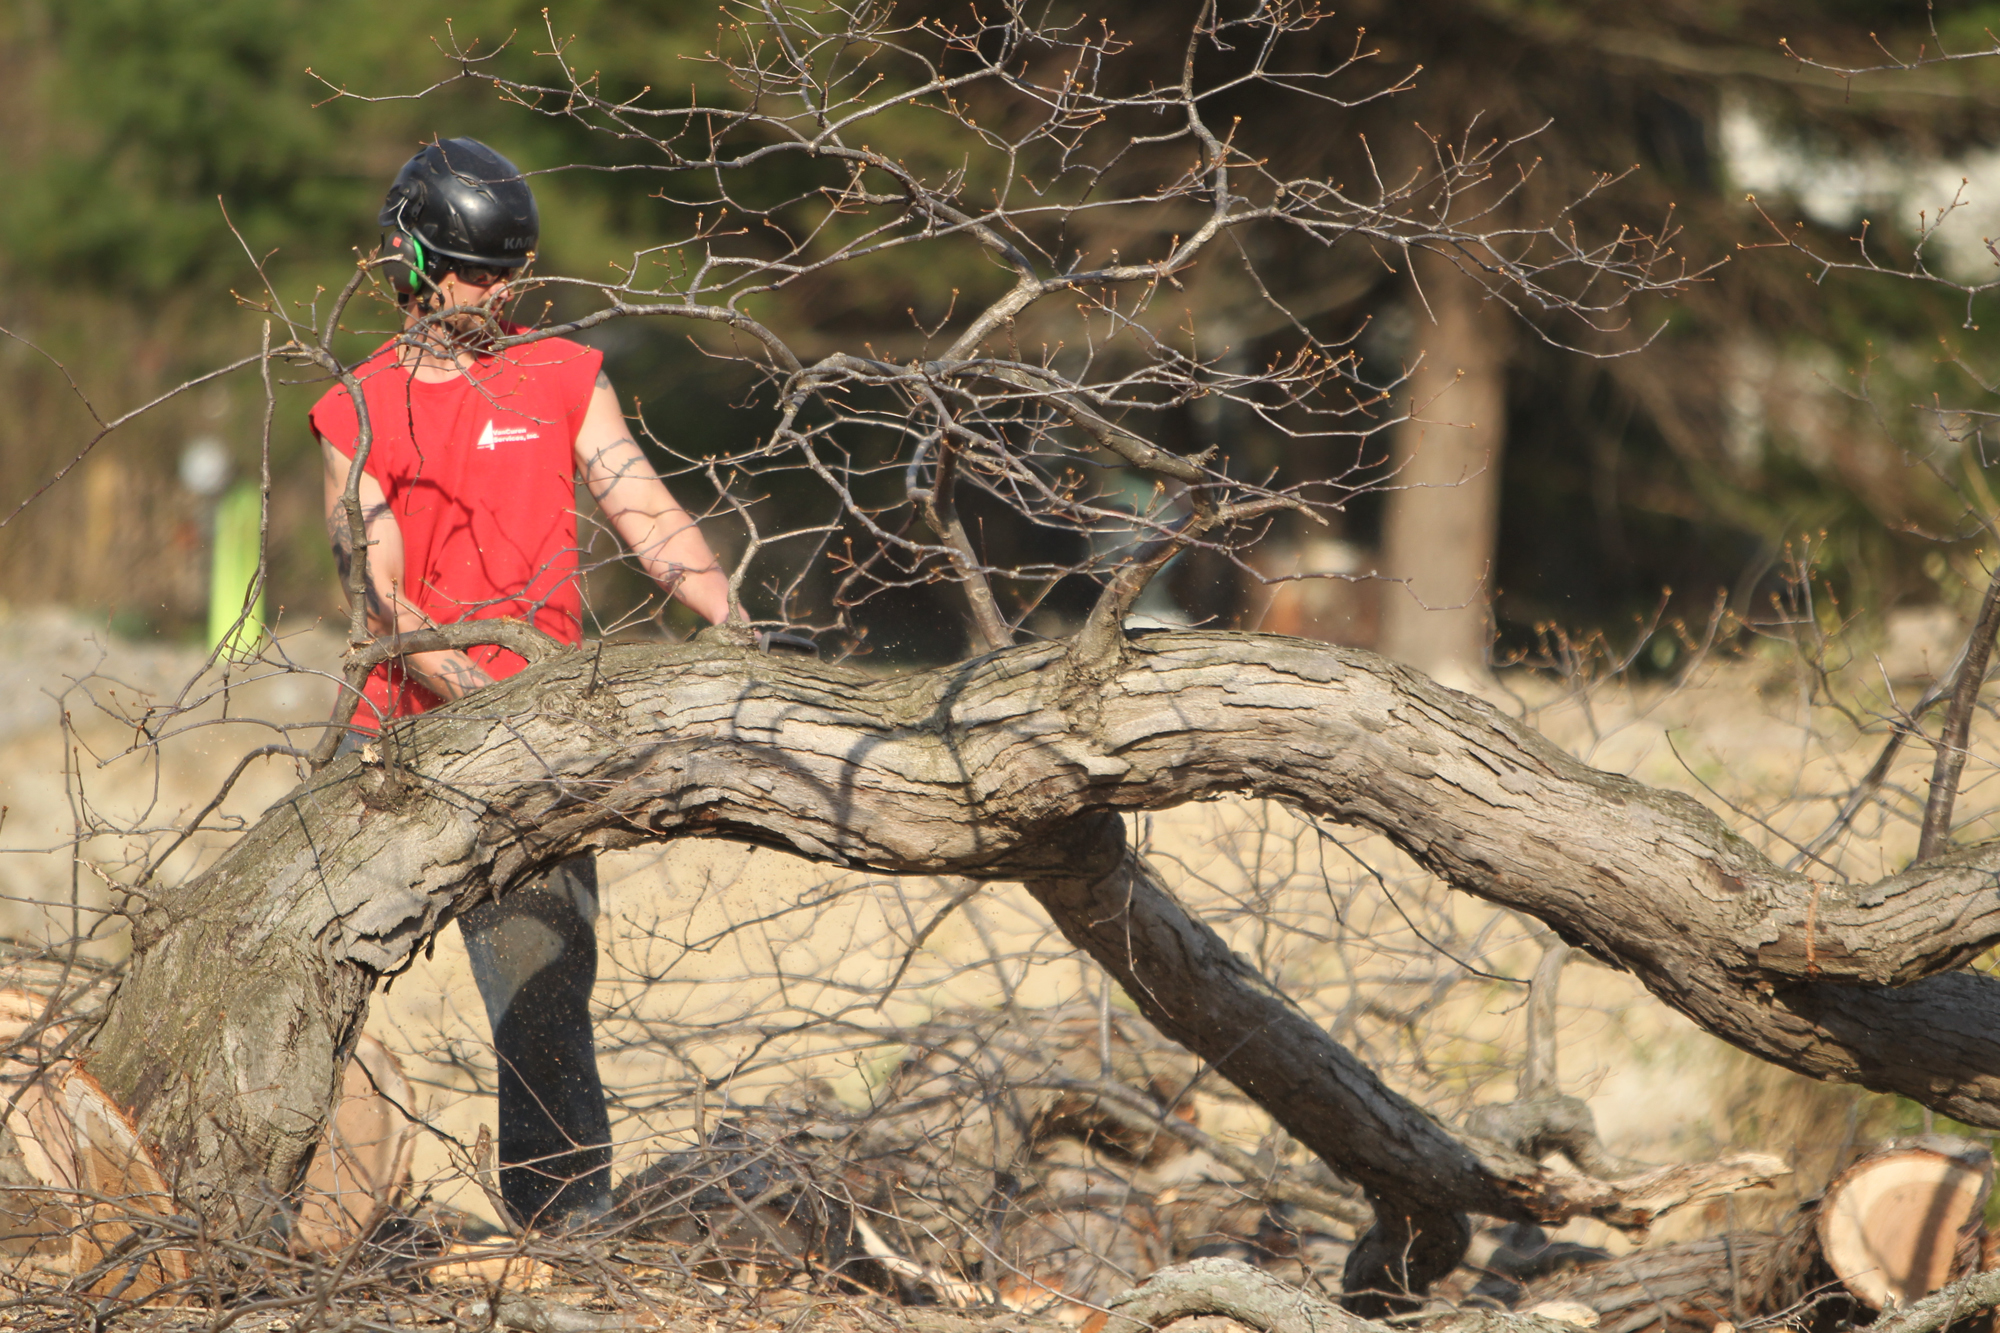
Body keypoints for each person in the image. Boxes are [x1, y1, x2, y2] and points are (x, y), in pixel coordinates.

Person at [309, 137, 732, 1230]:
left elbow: (643, 510)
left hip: (540, 750)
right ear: (412, 262)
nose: (494, 293)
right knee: (311, 986)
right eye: (472, 271)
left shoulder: (562, 378)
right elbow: (383, 598)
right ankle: (275, 1203)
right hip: (400, 749)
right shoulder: (352, 410)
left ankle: (564, 1229)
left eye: (510, 272)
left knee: (543, 999)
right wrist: (473, 696)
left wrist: (731, 623)